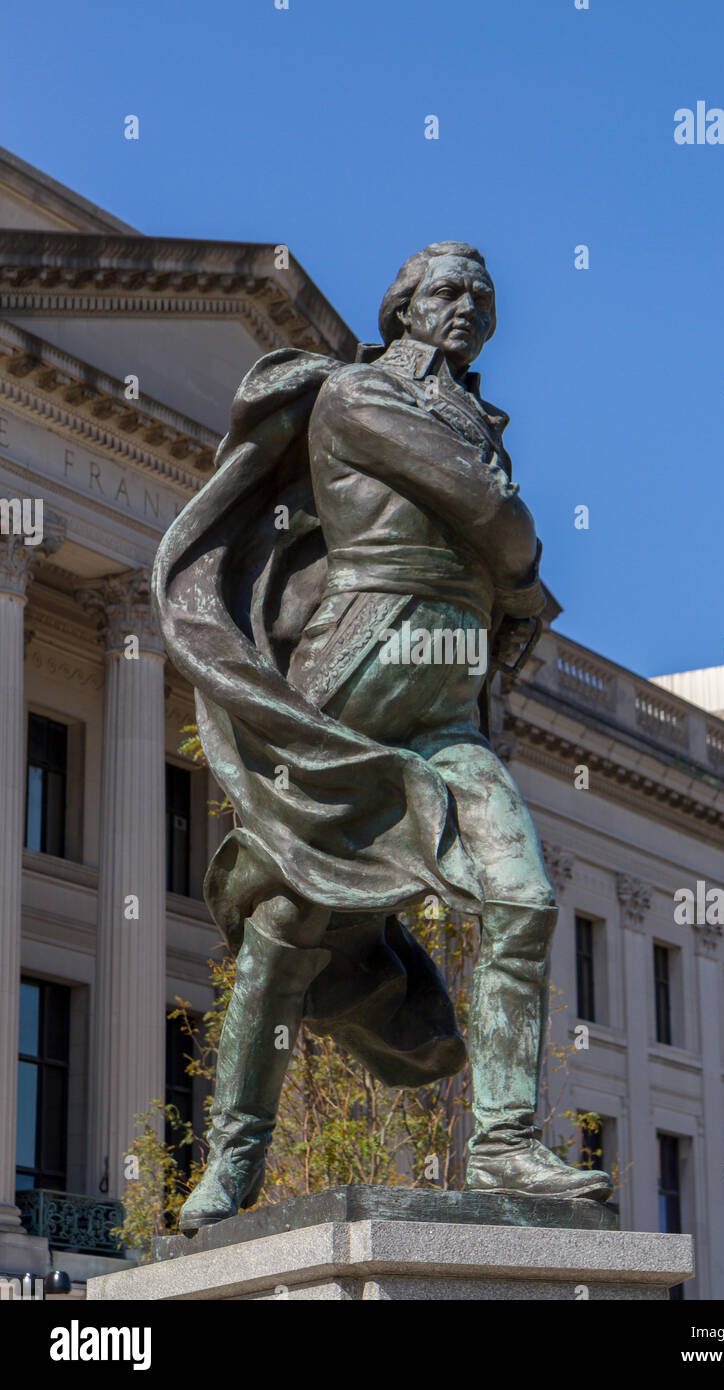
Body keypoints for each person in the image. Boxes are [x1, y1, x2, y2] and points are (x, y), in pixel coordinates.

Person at [154, 242, 612, 1232]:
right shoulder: (357, 396)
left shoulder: (473, 419)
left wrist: (510, 553)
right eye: (445, 291)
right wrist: (512, 548)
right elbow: (498, 521)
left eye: (481, 296)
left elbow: (505, 539)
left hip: (447, 702)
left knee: (521, 895)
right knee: (286, 930)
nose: (465, 307)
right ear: (402, 310)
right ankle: (230, 1164)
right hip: (354, 676)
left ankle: (501, 1142)